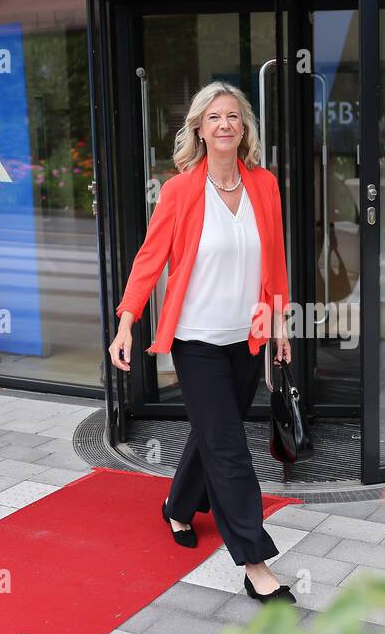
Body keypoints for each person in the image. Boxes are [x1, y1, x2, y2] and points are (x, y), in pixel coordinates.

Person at [108, 81, 295, 604]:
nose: (225, 125)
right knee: (230, 448)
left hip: (246, 336)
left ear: (244, 127)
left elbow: (275, 262)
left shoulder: (264, 185)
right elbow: (149, 260)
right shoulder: (180, 191)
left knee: (215, 433)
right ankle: (256, 563)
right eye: (214, 117)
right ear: (198, 128)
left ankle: (177, 504)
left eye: (233, 116)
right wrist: (127, 322)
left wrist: (280, 325)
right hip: (196, 340)